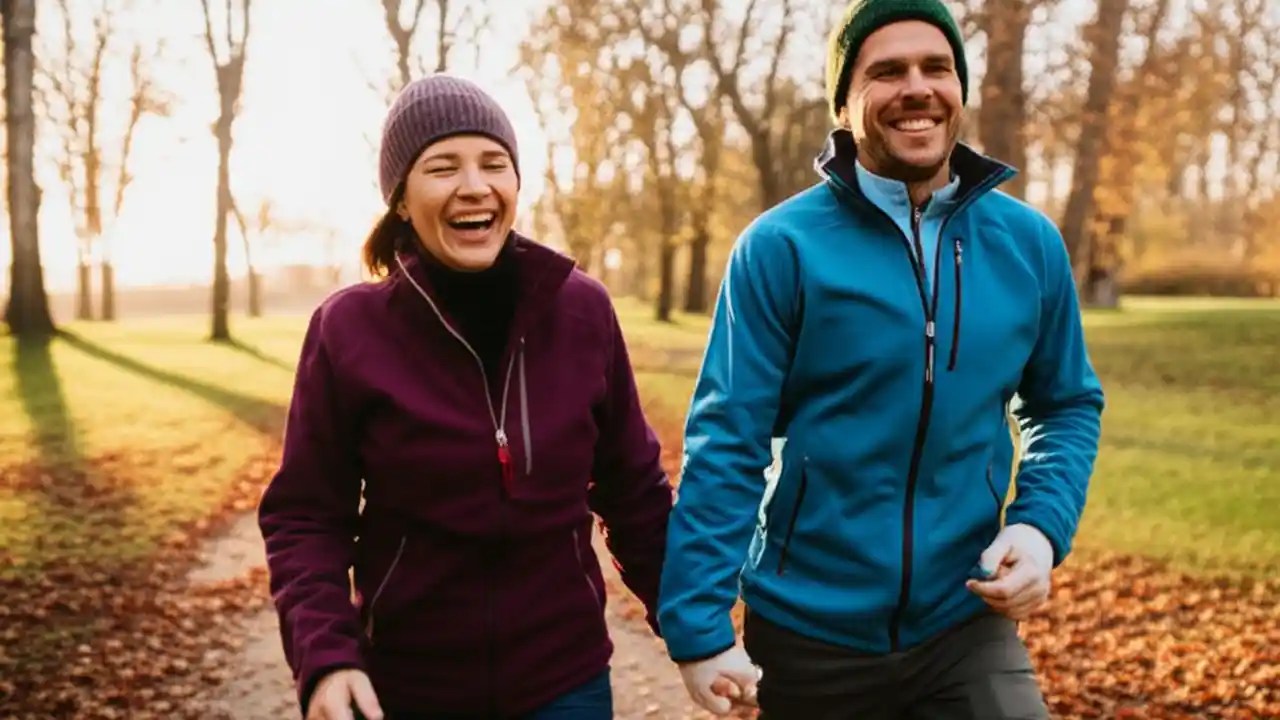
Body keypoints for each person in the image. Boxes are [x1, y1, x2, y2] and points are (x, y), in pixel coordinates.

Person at [657, 0, 1106, 717]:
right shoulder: (781, 249)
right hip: (809, 630)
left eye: (937, 68)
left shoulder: (1029, 244)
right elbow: (727, 443)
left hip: (963, 620)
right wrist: (698, 626)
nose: (917, 88)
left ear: (959, 88)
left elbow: (1065, 404)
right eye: (886, 72)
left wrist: (1040, 526)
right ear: (844, 102)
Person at [258, 74, 674, 720]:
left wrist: (695, 629)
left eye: (493, 164)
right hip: (410, 689)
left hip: (564, 684)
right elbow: (306, 516)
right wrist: (326, 656)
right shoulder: (347, 330)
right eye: (442, 167)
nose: (474, 185)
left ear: (514, 185)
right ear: (400, 201)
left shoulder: (583, 311)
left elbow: (634, 491)